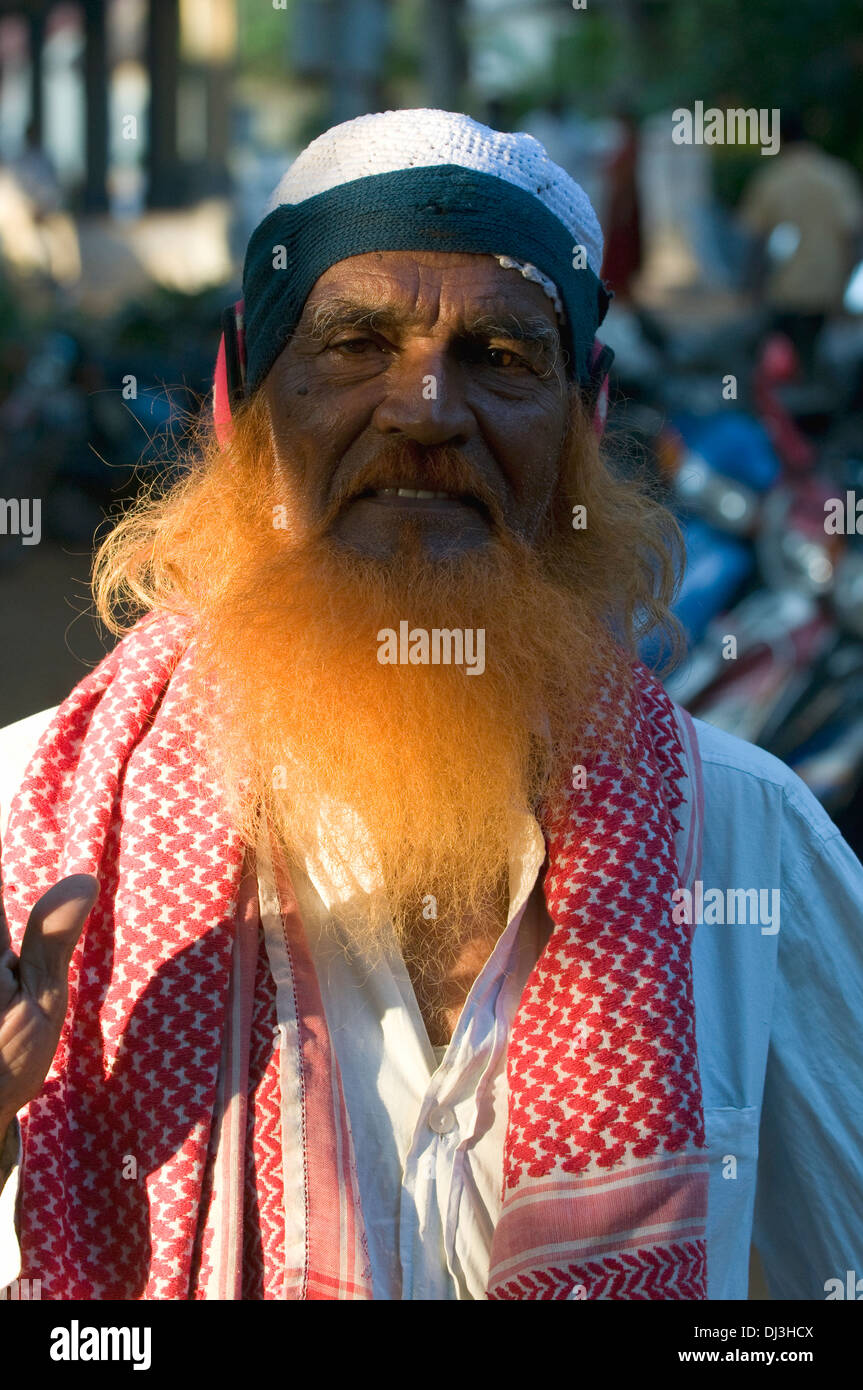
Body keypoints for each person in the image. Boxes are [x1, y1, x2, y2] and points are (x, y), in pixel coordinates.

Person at [0, 108, 861, 1302]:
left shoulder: (751, 841)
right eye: (354, 346)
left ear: (583, 428)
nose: (422, 411)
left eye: (500, 359)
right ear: (243, 410)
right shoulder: (25, 830)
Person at [739, 110, 863, 375]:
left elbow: (757, 243)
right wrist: (847, 291)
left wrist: (752, 290)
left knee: (786, 369)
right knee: (823, 368)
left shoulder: (772, 180)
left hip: (787, 293)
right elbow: (853, 238)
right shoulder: (837, 176)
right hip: (829, 292)